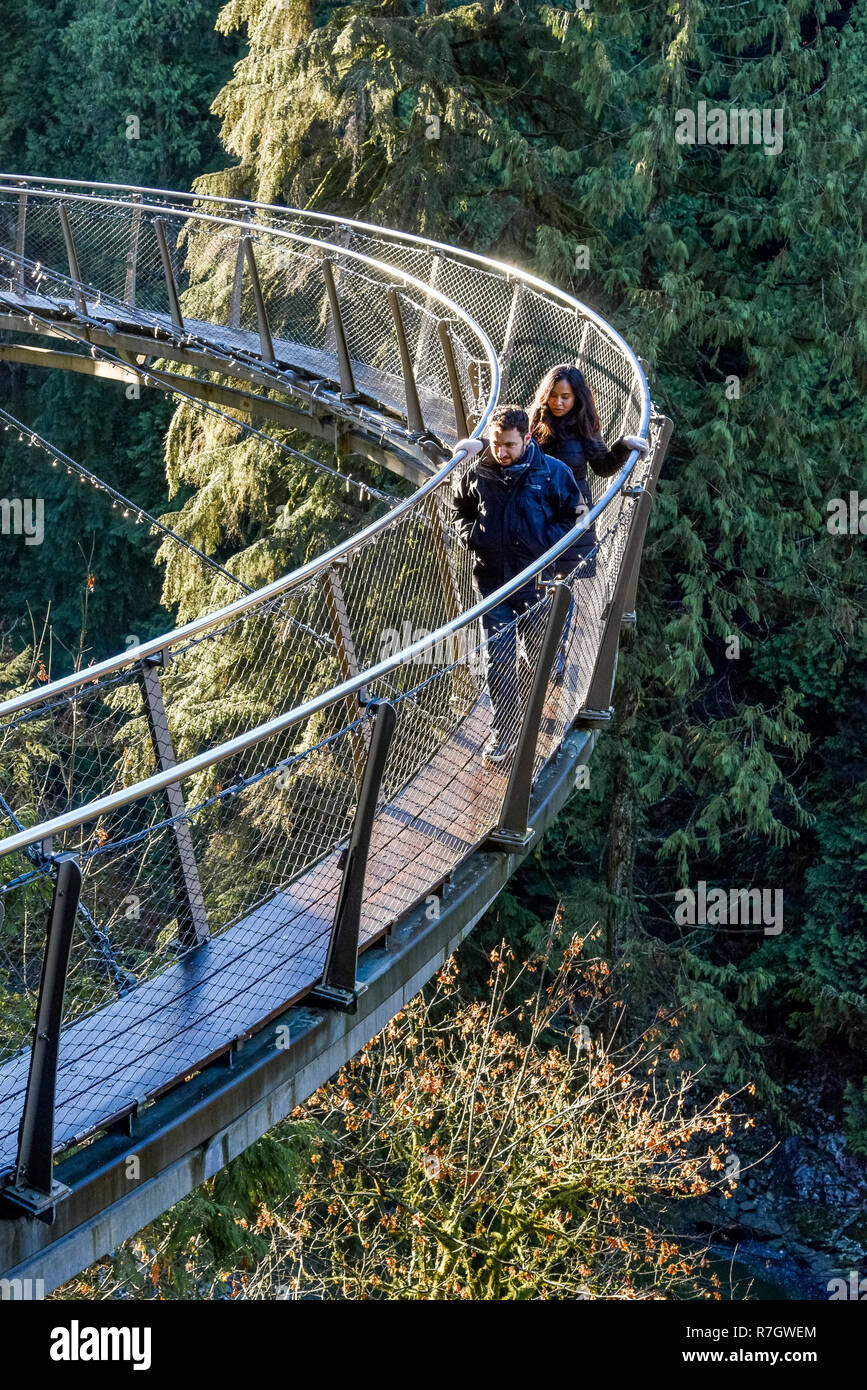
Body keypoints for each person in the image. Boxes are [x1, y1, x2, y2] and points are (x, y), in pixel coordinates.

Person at [452, 405, 583, 764]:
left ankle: (541, 667)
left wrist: (544, 543)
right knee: (499, 660)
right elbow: (459, 509)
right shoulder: (477, 472)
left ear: (527, 439)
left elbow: (576, 517)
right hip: (492, 585)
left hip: (538, 584)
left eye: (509, 444)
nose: (502, 452)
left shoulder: (553, 473)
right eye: (496, 444)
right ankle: (505, 733)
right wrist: (474, 537)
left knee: (537, 655)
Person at [528, 365, 649, 680]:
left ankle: (553, 656)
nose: (558, 402)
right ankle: (534, 654)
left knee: (562, 585)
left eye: (565, 397)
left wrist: (625, 445)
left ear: (577, 398)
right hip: (538, 509)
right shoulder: (536, 423)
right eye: (553, 396)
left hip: (573, 514)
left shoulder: (584, 427)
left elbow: (604, 467)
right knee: (534, 582)